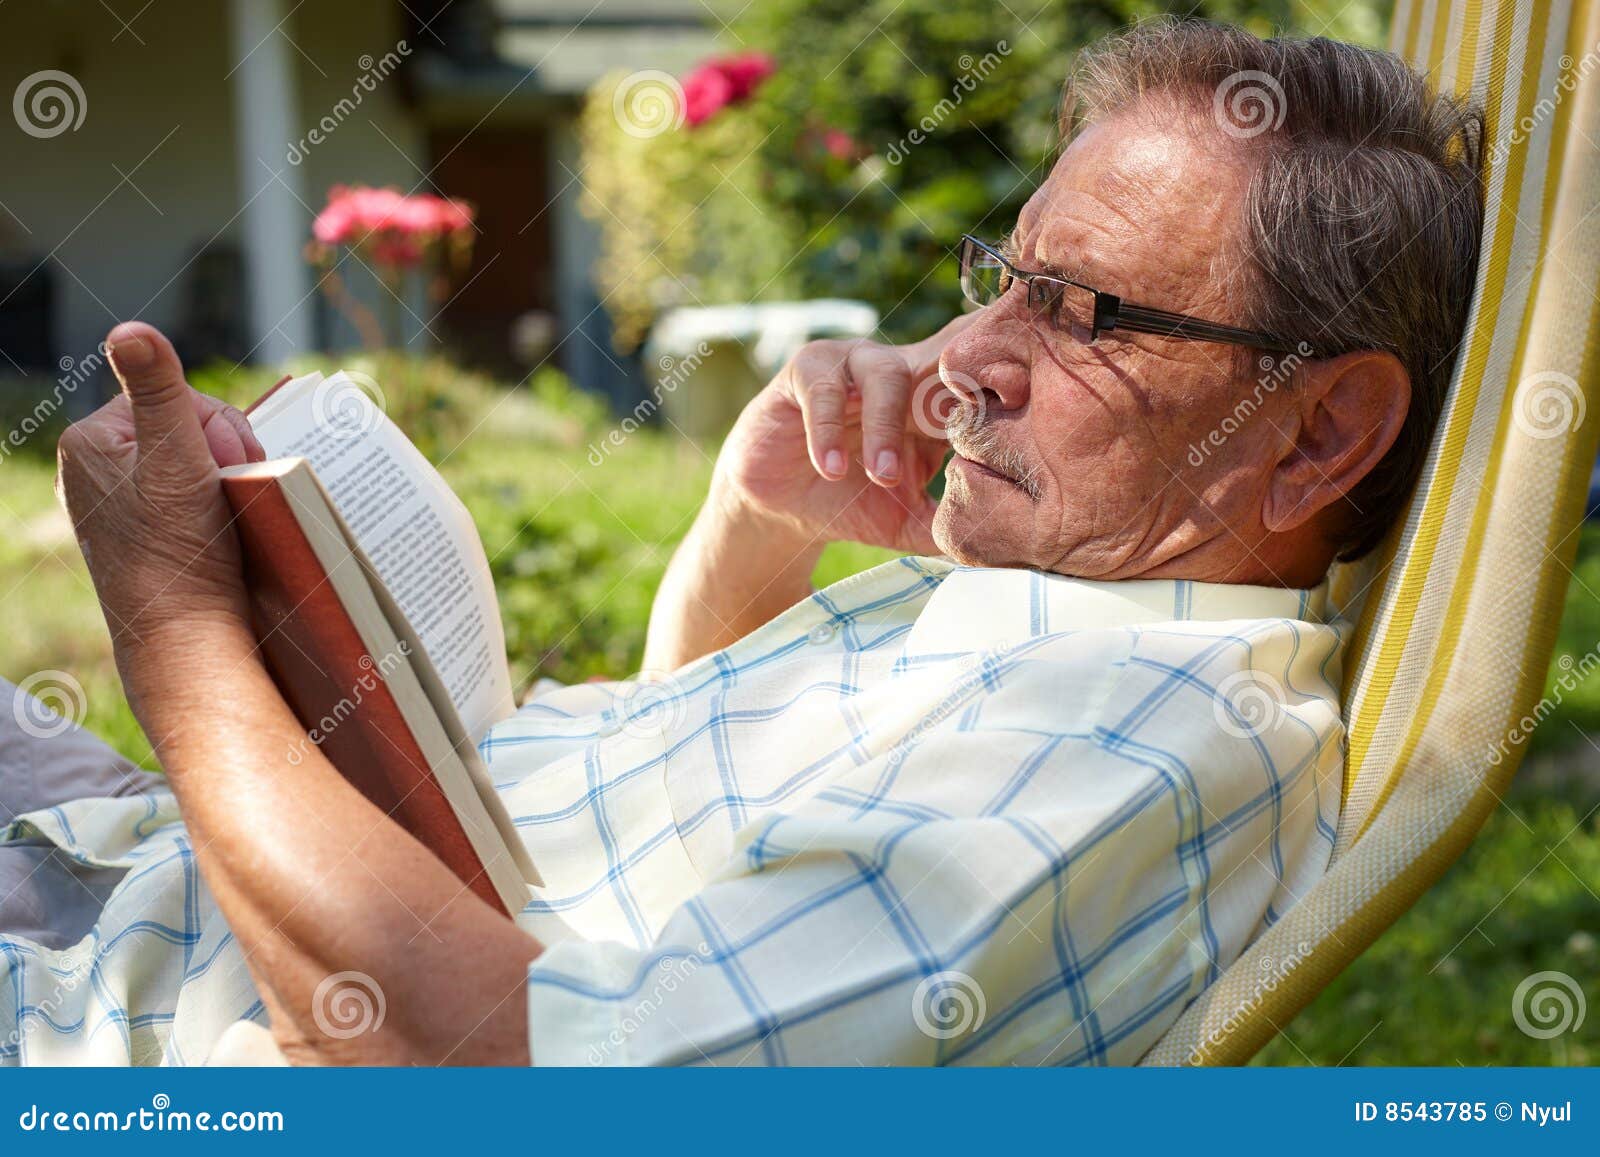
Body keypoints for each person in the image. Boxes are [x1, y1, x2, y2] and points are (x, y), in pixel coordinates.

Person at [2, 19, 1482, 1066]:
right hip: (141, 871)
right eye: (1004, 277)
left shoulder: (1136, 754)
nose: (965, 352)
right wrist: (757, 518)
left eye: (1078, 312)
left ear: (1317, 433)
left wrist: (176, 633)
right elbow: (701, 857)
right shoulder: (1081, 600)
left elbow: (483, 1077)